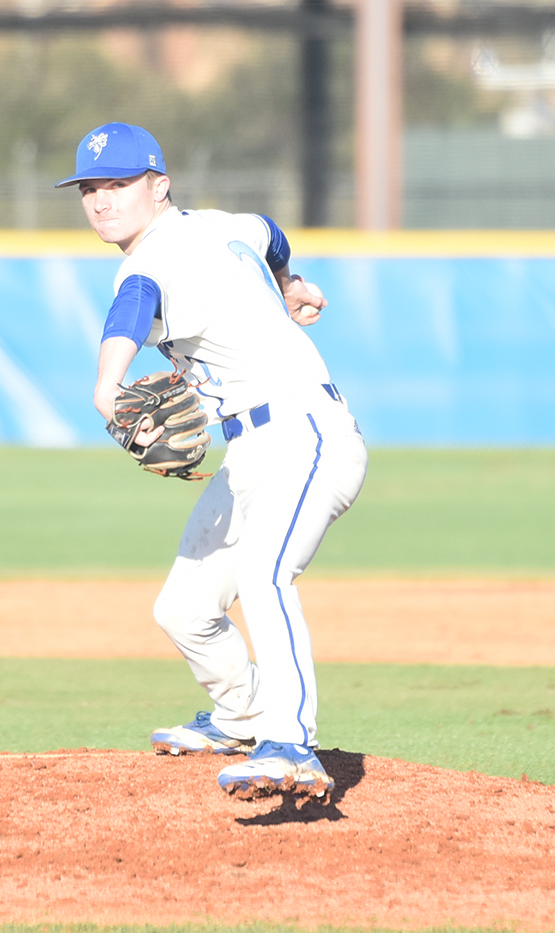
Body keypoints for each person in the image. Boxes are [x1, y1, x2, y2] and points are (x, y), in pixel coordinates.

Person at [57, 122, 368, 797]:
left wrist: (108, 387)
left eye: (118, 184)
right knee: (184, 608)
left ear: (159, 185)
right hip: (252, 450)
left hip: (308, 433)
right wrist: (287, 280)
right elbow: (269, 233)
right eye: (89, 188)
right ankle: (241, 716)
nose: (101, 200)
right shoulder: (227, 225)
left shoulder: (150, 260)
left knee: (264, 576)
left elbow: (130, 311)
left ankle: (290, 744)